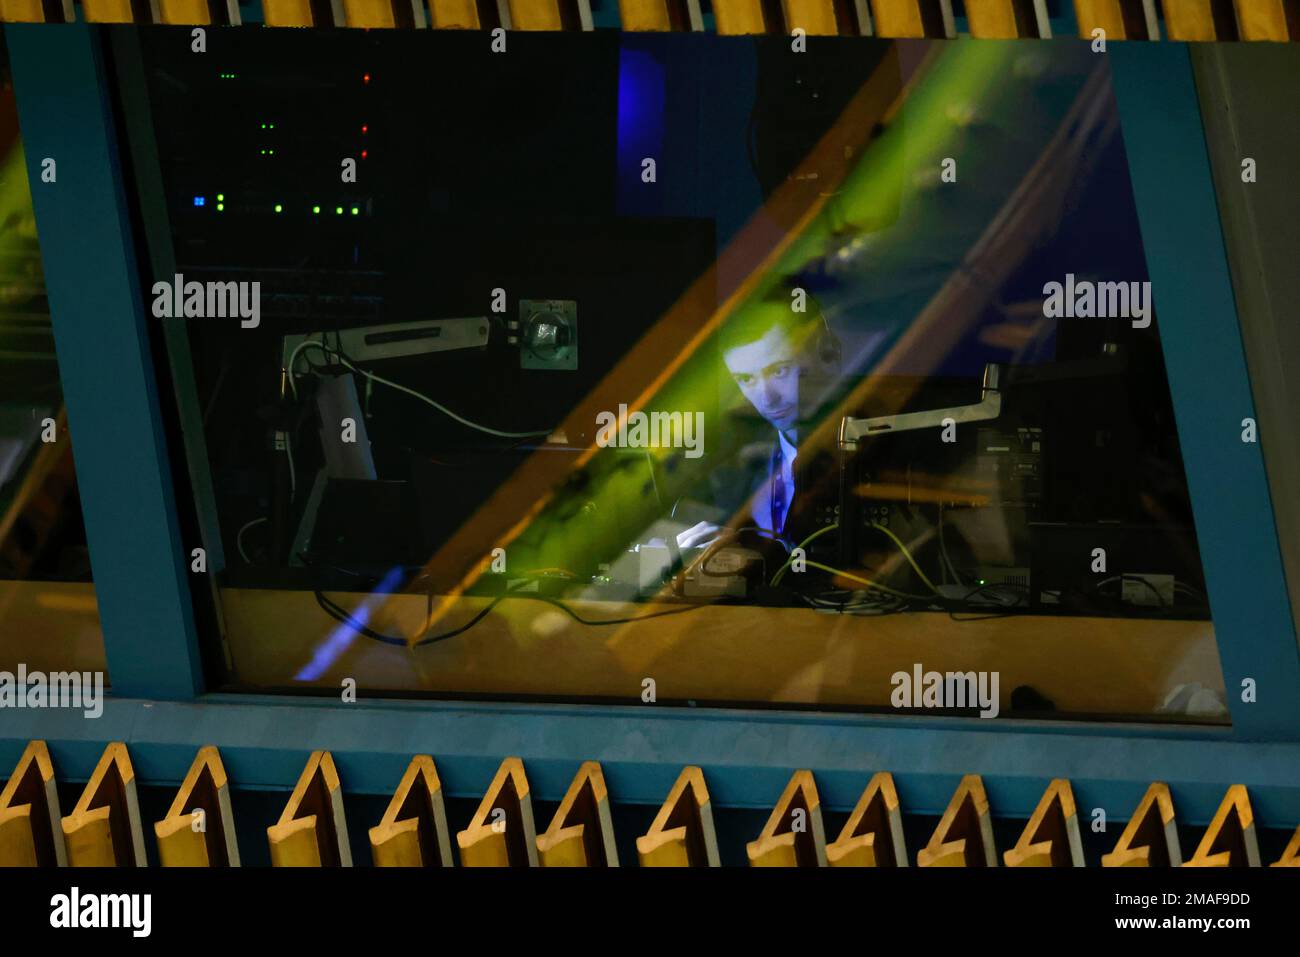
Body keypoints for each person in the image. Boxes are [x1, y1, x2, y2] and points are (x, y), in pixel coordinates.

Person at [676, 293, 833, 549]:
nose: (767, 398)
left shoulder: (855, 444)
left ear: (820, 355)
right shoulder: (746, 470)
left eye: (779, 370)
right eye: (746, 379)